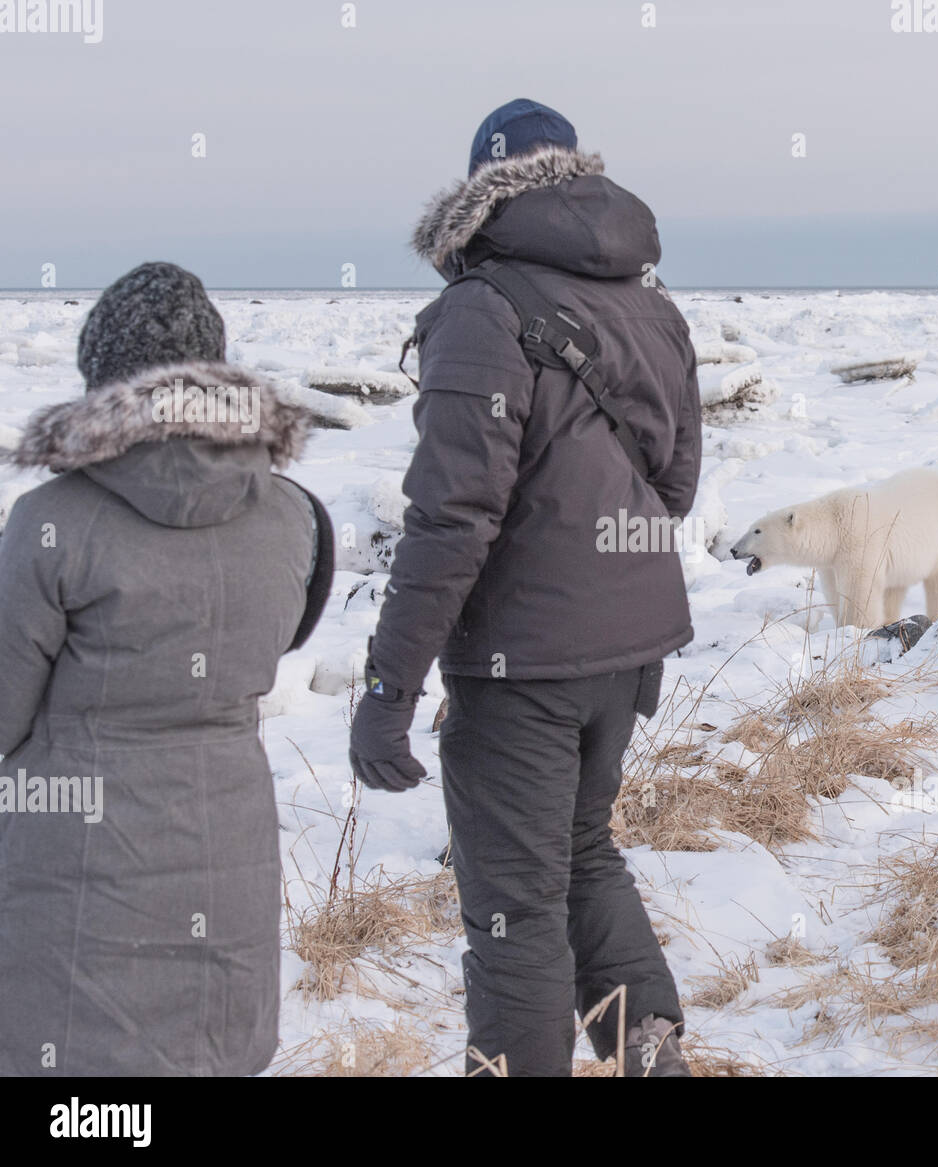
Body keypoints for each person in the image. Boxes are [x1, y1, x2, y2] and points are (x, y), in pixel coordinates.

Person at [348, 99, 702, 1077]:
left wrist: (389, 689)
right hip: (628, 649)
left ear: (480, 194)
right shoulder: (653, 306)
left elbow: (452, 516)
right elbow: (671, 488)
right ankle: (648, 1046)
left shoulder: (480, 310)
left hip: (525, 663)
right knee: (582, 852)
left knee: (514, 895)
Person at [0, 262, 331, 1076]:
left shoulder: (50, 521)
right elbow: (280, 639)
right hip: (229, 832)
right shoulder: (293, 516)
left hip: (79, 849)